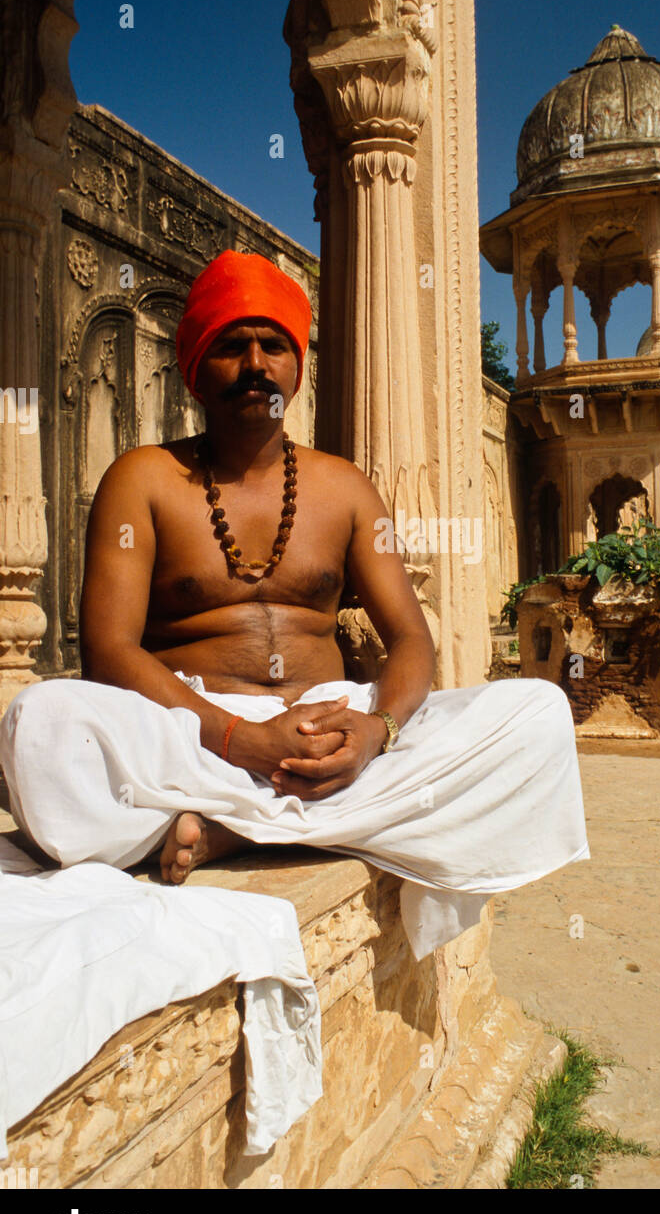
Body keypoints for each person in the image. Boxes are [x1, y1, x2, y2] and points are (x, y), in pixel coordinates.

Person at [0, 250, 588, 958]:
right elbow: (110, 652)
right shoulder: (144, 479)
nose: (255, 363)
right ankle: (301, 815)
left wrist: (378, 735)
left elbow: (409, 638)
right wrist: (240, 739)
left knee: (538, 716)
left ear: (295, 366)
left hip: (333, 734)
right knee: (39, 725)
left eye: (273, 344)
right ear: (194, 366)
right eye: (231, 345)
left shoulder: (343, 487)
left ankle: (229, 829)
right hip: (192, 736)